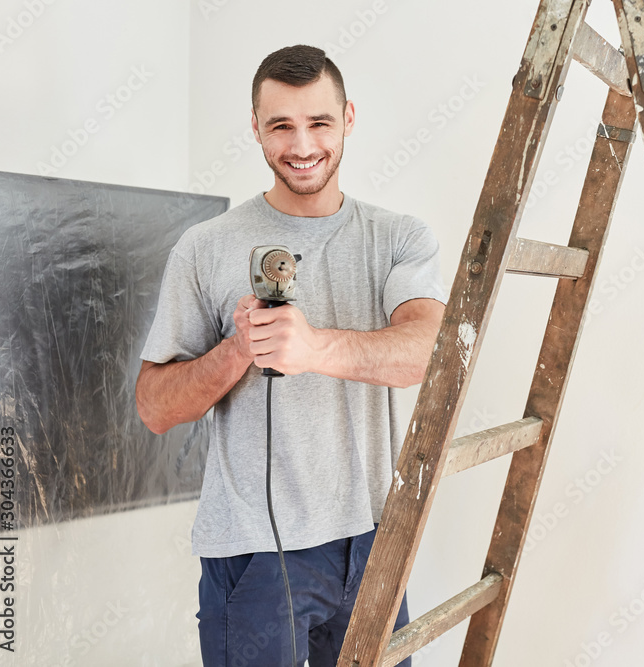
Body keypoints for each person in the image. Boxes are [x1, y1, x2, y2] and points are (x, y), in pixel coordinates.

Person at [135, 44, 446, 667]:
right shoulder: (205, 248)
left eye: (319, 122)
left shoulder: (398, 237)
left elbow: (427, 357)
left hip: (370, 543)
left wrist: (313, 348)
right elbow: (155, 409)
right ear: (256, 128)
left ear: (349, 118)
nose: (301, 144)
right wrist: (236, 351)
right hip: (253, 555)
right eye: (280, 125)